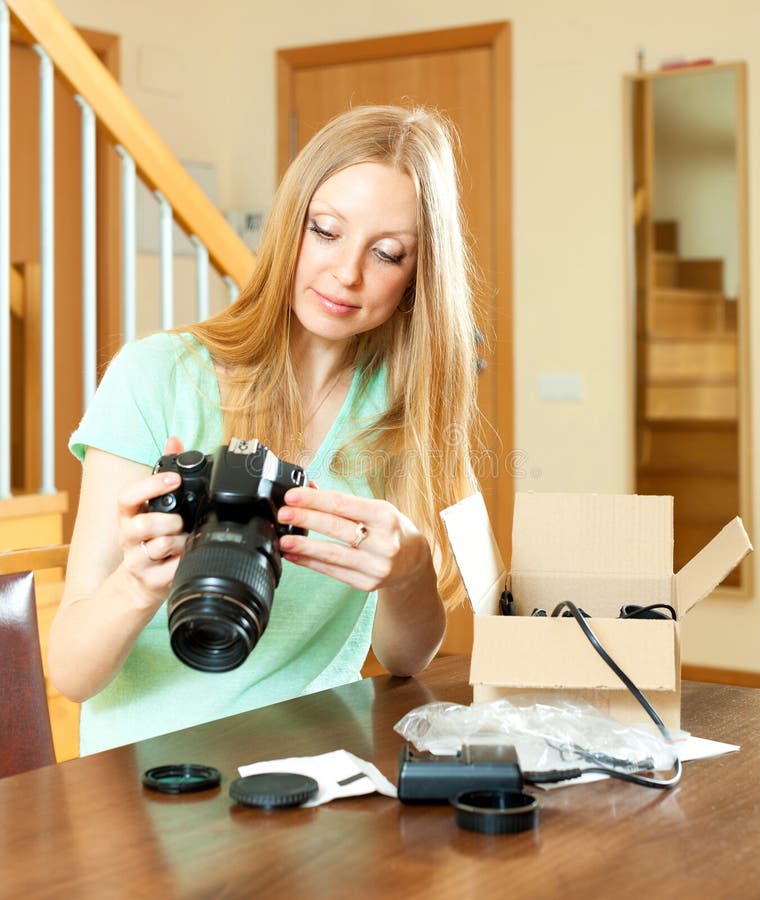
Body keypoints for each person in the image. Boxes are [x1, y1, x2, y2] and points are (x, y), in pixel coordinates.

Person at [48, 105, 481, 755]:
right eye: (326, 231)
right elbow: (70, 674)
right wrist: (138, 581)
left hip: (316, 769)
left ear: (419, 277)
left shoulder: (401, 412)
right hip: (145, 774)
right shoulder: (158, 375)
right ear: (290, 225)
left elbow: (403, 660)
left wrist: (409, 568)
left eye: (387, 253)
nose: (346, 273)